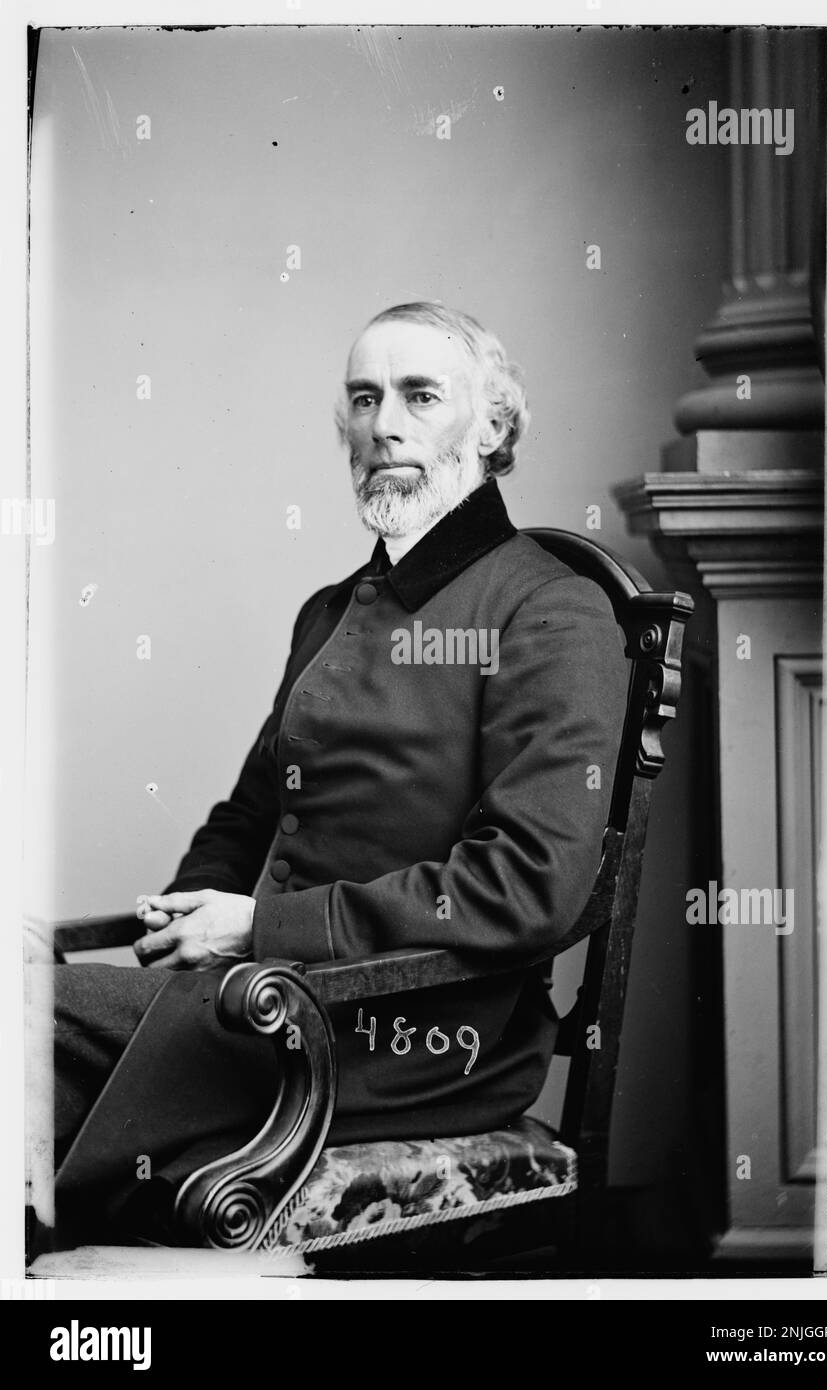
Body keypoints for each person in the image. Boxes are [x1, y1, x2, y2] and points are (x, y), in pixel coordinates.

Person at [48, 301, 627, 1243]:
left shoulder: (550, 612)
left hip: (419, 1033)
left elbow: (529, 885)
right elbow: (247, 817)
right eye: (363, 398)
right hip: (267, 998)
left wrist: (256, 932)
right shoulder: (328, 610)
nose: (383, 424)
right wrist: (184, 915)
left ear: (491, 427)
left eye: (420, 395)